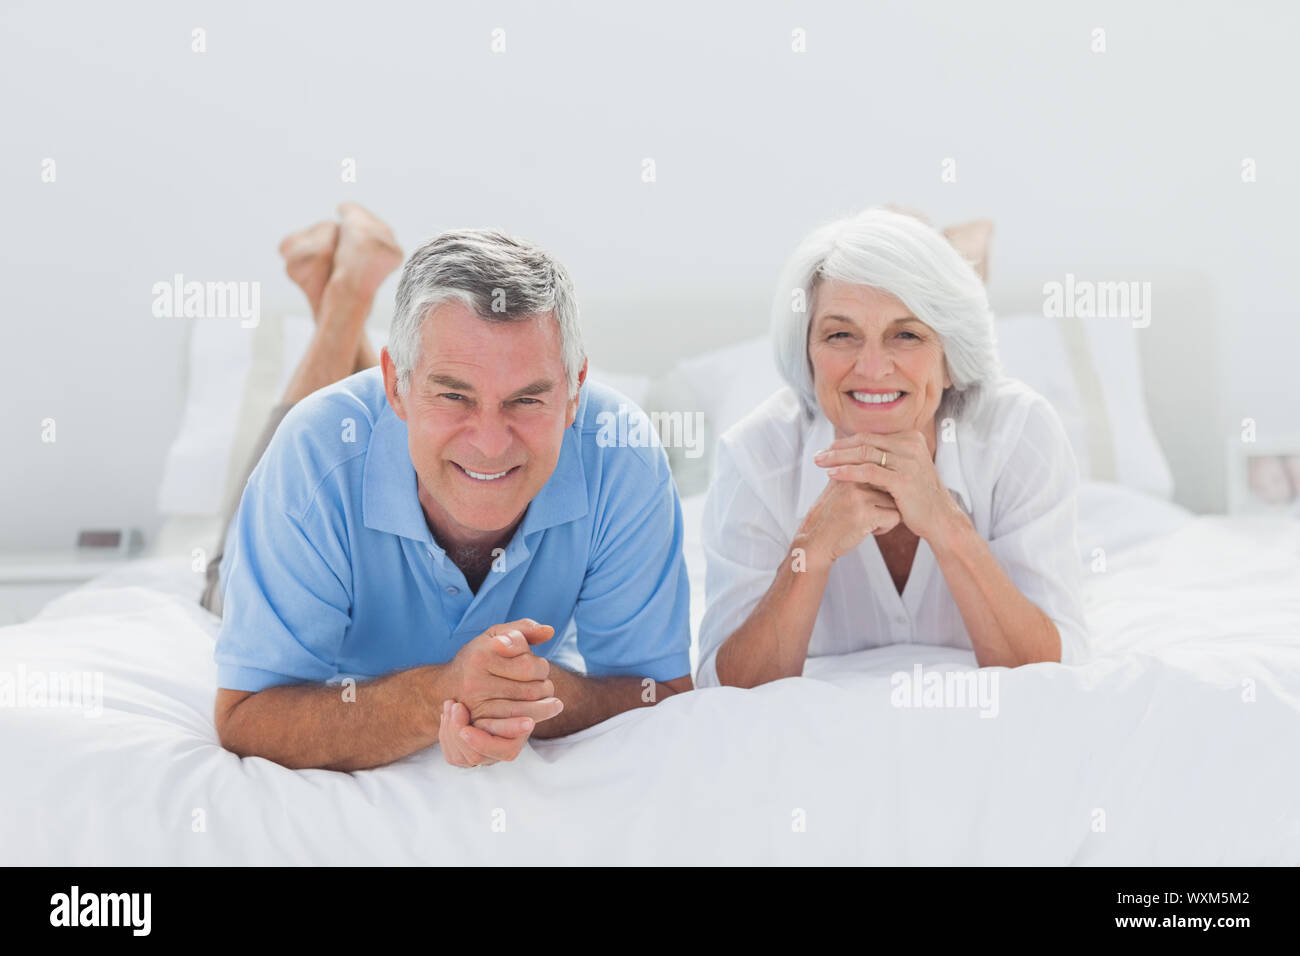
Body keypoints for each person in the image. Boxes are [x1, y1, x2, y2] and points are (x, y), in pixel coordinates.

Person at [207, 204, 692, 770]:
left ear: (575, 390)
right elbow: (245, 714)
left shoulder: (620, 453)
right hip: (305, 480)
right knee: (226, 561)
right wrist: (445, 692)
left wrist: (521, 694)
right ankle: (339, 305)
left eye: (527, 399)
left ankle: (351, 309)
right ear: (395, 385)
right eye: (454, 396)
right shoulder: (311, 458)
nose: (491, 442)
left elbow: (661, 694)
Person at [695, 207, 1088, 689]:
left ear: (950, 362)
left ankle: (953, 245)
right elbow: (725, 690)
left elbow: (1054, 669)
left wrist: (946, 523)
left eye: (907, 334)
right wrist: (811, 548)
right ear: (808, 355)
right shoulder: (754, 456)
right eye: (841, 334)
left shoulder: (1021, 432)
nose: (873, 367)